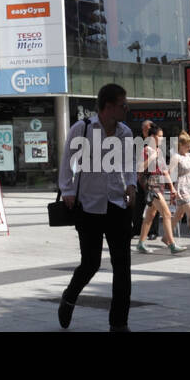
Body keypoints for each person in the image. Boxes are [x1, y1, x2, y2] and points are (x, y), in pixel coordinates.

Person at [58, 83, 138, 331]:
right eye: (123, 105)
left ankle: (119, 323)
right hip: (89, 206)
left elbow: (129, 164)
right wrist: (68, 190)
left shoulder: (125, 133)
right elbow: (66, 162)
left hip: (117, 205)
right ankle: (69, 297)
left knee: (122, 266)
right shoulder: (81, 129)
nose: (126, 109)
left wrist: (132, 185)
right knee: (91, 263)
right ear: (108, 106)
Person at [136, 125, 184, 254]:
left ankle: (140, 243)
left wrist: (172, 187)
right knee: (167, 213)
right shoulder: (146, 150)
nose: (162, 139)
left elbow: (164, 171)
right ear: (152, 137)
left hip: (159, 183)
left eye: (163, 136)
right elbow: (139, 168)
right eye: (160, 136)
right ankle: (171, 243)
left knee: (150, 215)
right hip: (151, 184)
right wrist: (152, 157)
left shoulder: (159, 151)